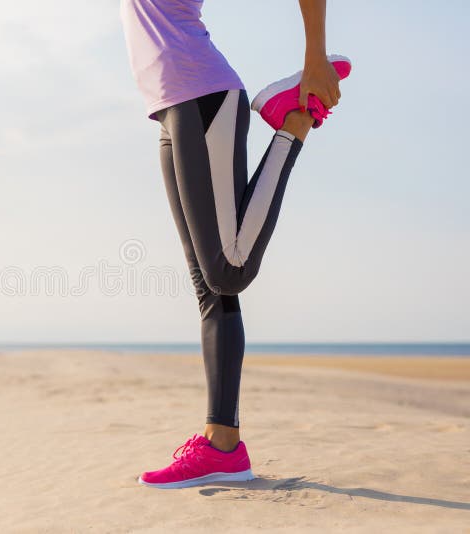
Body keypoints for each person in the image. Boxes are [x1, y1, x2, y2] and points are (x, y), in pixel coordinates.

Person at [119, 0, 351, 489]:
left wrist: (316, 56)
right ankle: (222, 446)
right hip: (173, 108)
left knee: (229, 270)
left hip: (203, 94)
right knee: (212, 288)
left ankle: (293, 124)